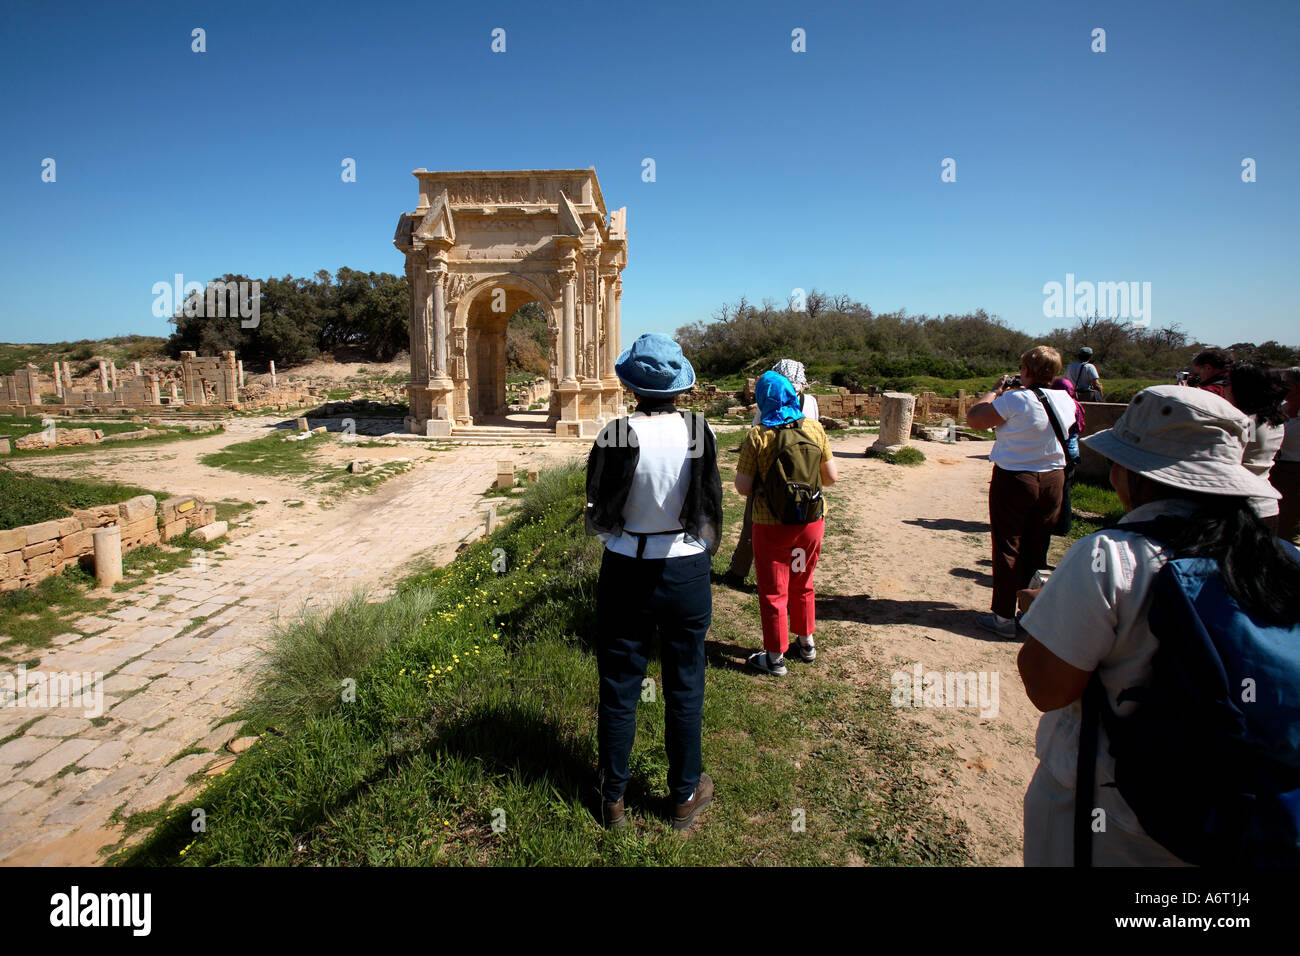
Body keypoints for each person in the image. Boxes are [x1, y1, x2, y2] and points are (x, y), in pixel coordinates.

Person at [1016, 386, 1296, 865]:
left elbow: (1048, 688)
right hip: (1240, 808)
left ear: (1134, 473)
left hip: (1117, 808)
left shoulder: (1110, 557)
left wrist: (1039, 613)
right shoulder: (1284, 562)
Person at [585, 333, 723, 832]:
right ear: (678, 386)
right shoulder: (698, 431)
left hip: (626, 568)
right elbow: (709, 503)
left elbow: (599, 509)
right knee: (686, 682)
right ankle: (684, 794)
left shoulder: (616, 432)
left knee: (620, 684)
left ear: (631, 385)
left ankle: (614, 797)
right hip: (685, 568)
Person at [966, 346, 1079, 638]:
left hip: (1016, 478)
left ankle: (1003, 618)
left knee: (1008, 546)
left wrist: (994, 390)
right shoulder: (1065, 399)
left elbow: (975, 419)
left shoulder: (1016, 399)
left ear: (1026, 370)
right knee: (1038, 546)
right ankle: (1030, 613)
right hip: (1053, 478)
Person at [734, 370, 837, 675]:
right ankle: (806, 643)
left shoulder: (757, 436)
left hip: (770, 525)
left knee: (772, 590)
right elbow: (831, 477)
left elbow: (742, 486)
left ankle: (775, 657)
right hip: (809, 523)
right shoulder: (815, 430)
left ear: (762, 400)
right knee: (802, 582)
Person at [722, 358, 819, 588]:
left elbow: (758, 428)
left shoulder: (771, 399)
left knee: (751, 525)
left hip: (769, 476)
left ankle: (738, 571)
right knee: (798, 529)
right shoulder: (810, 401)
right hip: (803, 477)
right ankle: (795, 576)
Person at [1225, 363, 1289, 532]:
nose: (1226, 388)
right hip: (1266, 502)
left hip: (1241, 506)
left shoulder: (1246, 423)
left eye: (1229, 383)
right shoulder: (1273, 420)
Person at [1271, 368, 1300, 543]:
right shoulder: (1281, 408)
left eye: (1285, 384)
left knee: (1293, 526)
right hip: (1276, 470)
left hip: (1295, 474)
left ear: (1296, 387)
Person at [1049, 377, 1085, 462]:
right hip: (1072, 451)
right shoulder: (1075, 404)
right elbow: (1080, 425)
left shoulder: (1051, 405)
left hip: (1055, 452)